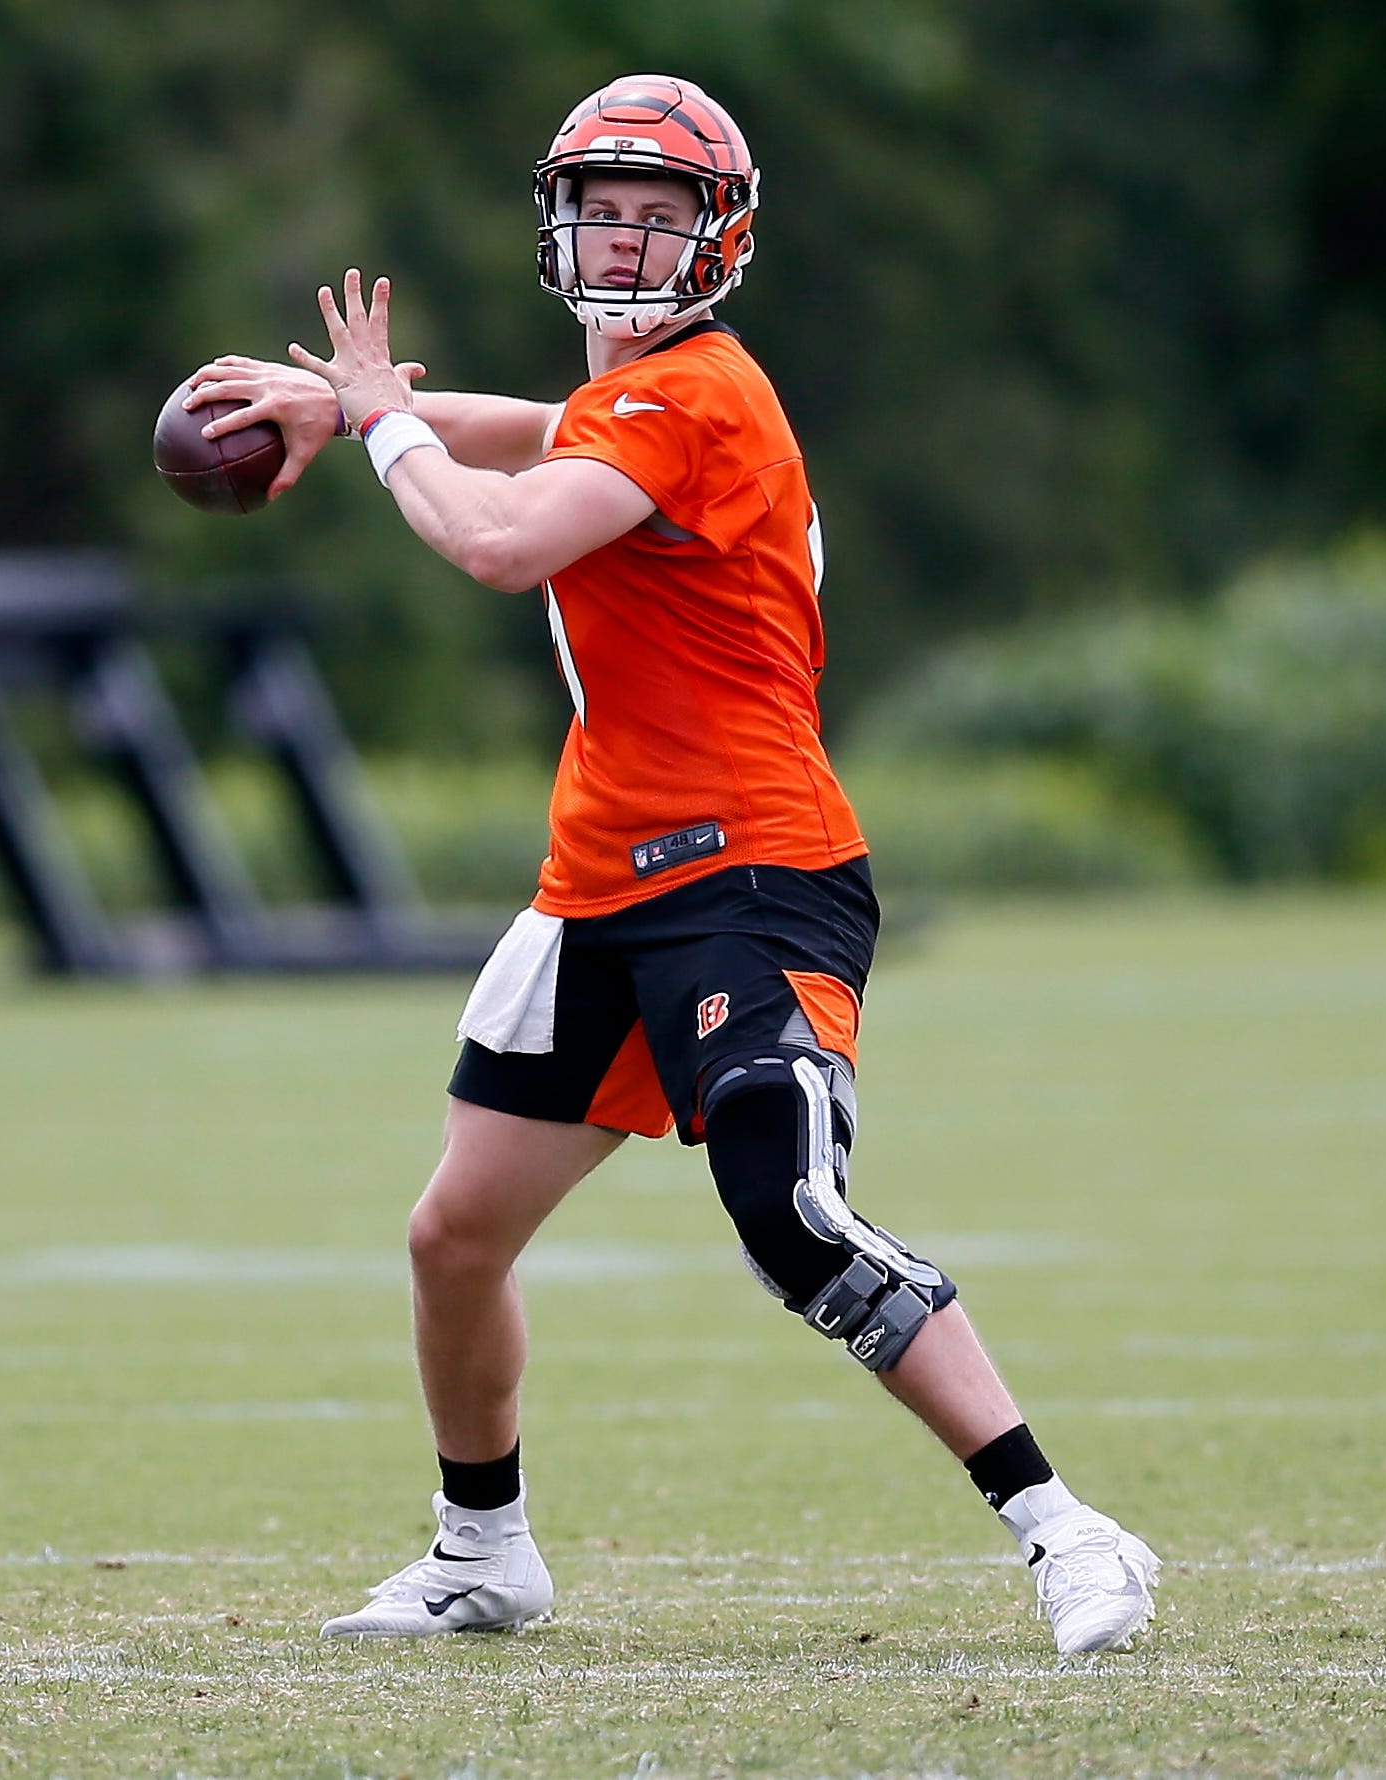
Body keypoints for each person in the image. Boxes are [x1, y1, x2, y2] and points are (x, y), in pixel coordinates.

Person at [183, 74, 1158, 1656]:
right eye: (605, 213)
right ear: (560, 223)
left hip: (754, 870)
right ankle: (479, 1551)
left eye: (661, 217)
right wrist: (354, 407)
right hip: (601, 879)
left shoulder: (700, 394)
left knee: (787, 1213)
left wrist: (379, 423)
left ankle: (1068, 1529)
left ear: (722, 240)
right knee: (455, 1235)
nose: (628, 244)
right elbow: (541, 430)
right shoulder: (628, 403)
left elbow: (498, 539)